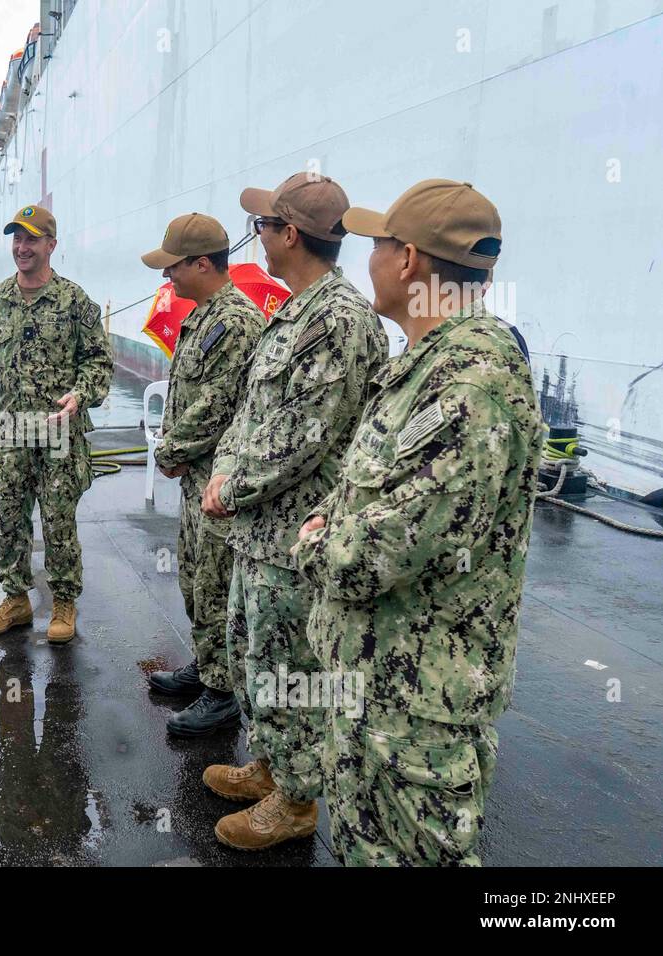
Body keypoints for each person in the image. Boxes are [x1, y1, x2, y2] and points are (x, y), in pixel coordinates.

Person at [293, 179, 543, 865]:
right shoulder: (426, 363)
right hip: (375, 690)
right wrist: (326, 521)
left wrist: (313, 543)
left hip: (415, 713)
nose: (365, 260)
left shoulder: (469, 385)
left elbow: (377, 550)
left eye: (375, 244)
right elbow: (359, 486)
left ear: (407, 261)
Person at [199, 172, 389, 850]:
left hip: (294, 538)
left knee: (291, 674)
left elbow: (302, 437)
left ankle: (298, 801)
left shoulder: (338, 320)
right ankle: (273, 768)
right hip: (259, 535)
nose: (258, 236)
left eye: (264, 227)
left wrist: (230, 487)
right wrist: (223, 467)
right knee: (254, 658)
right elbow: (251, 417)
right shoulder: (294, 309)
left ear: (290, 235)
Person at [0, 204, 113, 644]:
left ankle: (63, 601)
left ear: (51, 245)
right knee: (9, 517)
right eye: (16, 239)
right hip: (10, 430)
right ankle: (15, 598)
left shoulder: (75, 302)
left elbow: (99, 363)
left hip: (59, 432)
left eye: (30, 239)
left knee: (59, 518)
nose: (21, 247)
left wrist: (81, 394)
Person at [138, 213, 264, 737]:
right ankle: (207, 664)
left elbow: (213, 406)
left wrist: (171, 451)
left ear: (203, 263)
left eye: (174, 266)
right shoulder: (204, 315)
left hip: (217, 481)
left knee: (214, 584)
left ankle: (223, 691)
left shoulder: (232, 323)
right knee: (195, 577)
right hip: (198, 480)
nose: (167, 276)